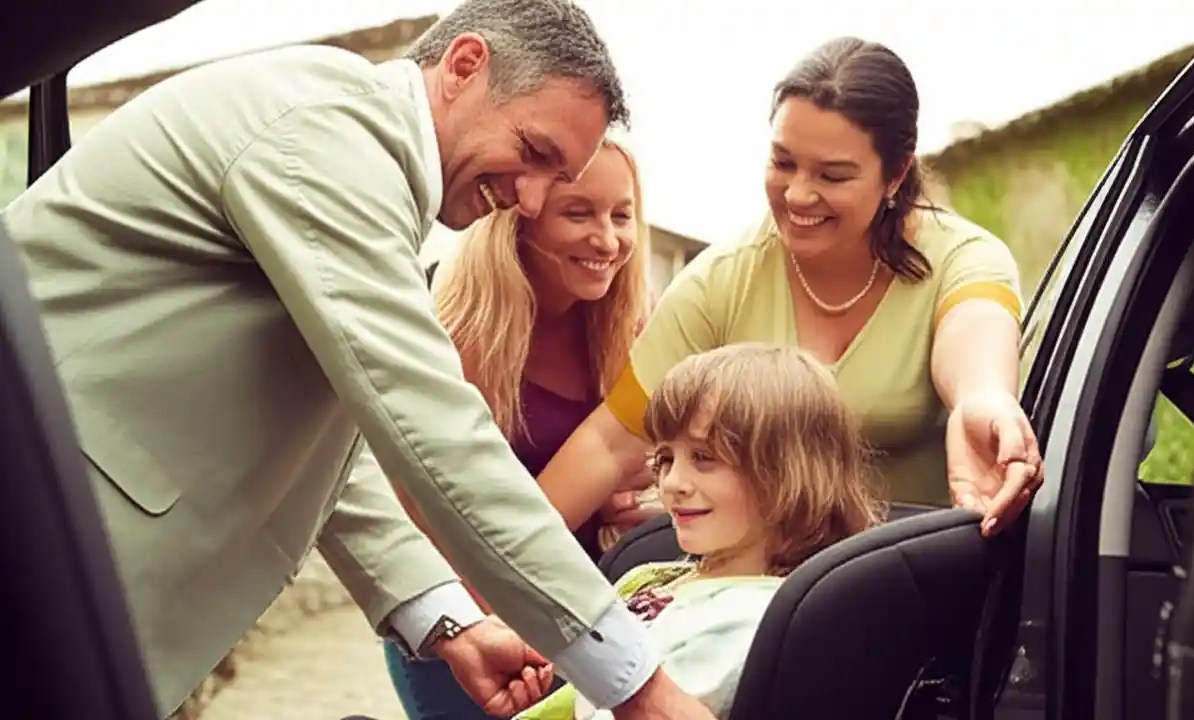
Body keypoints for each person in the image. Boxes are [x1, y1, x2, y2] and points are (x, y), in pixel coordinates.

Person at [1, 1, 711, 718]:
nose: (529, 201)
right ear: (464, 67)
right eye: (533, 152)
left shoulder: (364, 167)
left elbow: (337, 444)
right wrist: (638, 684)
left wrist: (447, 617)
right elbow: (432, 427)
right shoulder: (327, 135)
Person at [539, 36, 1043, 542]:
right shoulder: (722, 282)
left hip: (916, 579)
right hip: (763, 589)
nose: (799, 194)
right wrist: (479, 596)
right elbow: (607, 445)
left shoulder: (964, 258)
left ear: (896, 173)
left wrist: (983, 399)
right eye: (783, 163)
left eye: (833, 175)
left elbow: (976, 340)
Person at [385, 138, 654, 719]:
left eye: (621, 215)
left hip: (581, 609)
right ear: (518, 218)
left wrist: (633, 499)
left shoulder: (630, 324)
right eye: (578, 213)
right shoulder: (460, 336)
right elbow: (421, 521)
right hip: (473, 621)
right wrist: (498, 626)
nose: (608, 241)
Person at [517, 343, 886, 719]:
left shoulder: (750, 619)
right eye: (665, 458)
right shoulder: (657, 577)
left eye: (704, 458)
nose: (672, 482)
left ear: (788, 472)